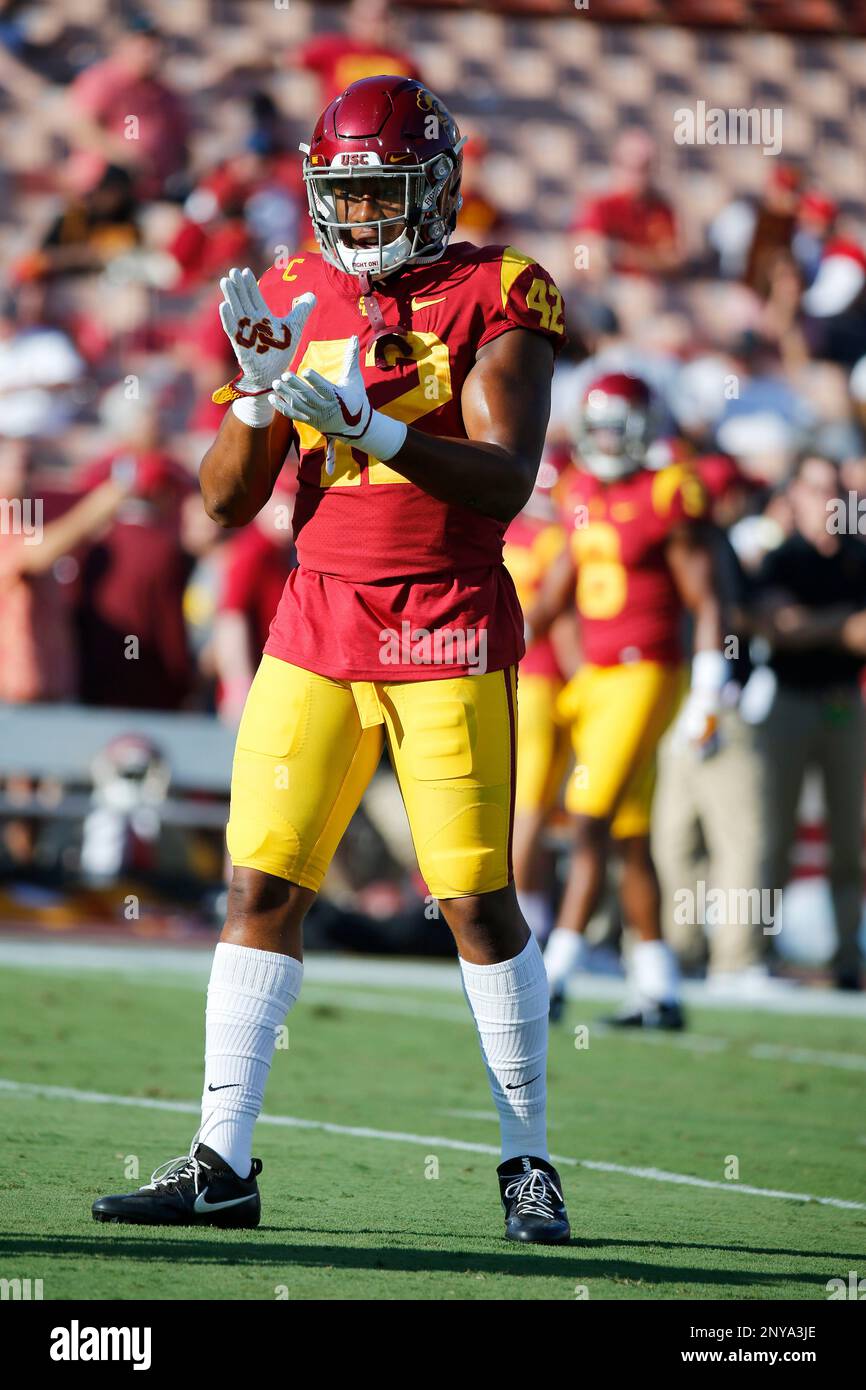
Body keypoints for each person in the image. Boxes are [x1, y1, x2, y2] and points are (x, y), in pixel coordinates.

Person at [92, 75, 570, 1244]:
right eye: (341, 195)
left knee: (469, 899)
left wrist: (378, 430)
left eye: (377, 193)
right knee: (259, 884)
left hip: (445, 619)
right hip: (316, 620)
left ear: (435, 188)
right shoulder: (295, 291)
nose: (355, 218)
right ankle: (221, 1161)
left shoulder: (495, 290)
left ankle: (525, 1157)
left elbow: (508, 480)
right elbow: (220, 501)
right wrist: (258, 398)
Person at [526, 373, 725, 1027]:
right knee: (629, 838)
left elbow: (705, 596)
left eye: (619, 424)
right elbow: (558, 589)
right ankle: (659, 987)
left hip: (647, 673)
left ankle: (550, 975)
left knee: (586, 819)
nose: (607, 437)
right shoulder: (578, 489)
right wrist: (497, 645)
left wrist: (709, 686)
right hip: (599, 679)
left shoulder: (670, 490)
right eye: (600, 424)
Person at [748, 453, 866, 990]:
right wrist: (838, 624)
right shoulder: (782, 559)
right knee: (773, 834)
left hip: (842, 702)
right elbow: (780, 628)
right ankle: (757, 953)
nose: (831, 501)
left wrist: (813, 626)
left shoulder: (858, 557)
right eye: (819, 489)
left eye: (835, 489)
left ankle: (846, 957)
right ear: (794, 496)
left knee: (847, 838)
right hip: (789, 703)